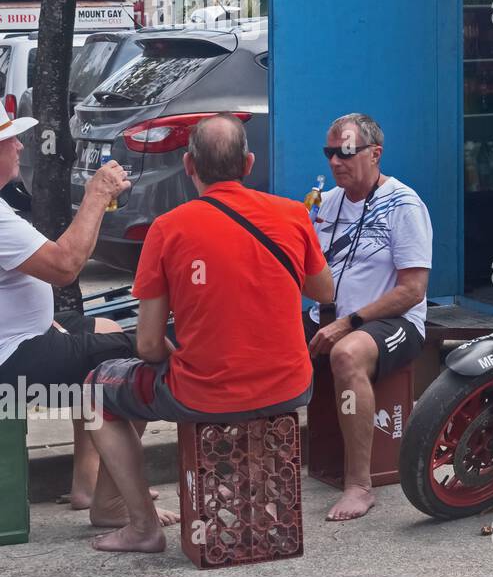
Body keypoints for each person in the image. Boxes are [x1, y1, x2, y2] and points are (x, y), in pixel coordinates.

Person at [84, 114, 333, 552]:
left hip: (203, 394)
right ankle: (261, 510)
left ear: (188, 166)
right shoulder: (294, 214)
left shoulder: (168, 228)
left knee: (95, 390)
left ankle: (142, 526)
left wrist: (177, 355)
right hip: (293, 386)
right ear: (249, 163)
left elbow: (146, 344)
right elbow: (323, 290)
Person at [0, 107, 137, 513]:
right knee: (134, 353)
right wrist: (97, 195)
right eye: (10, 140)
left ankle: (89, 484)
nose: (20, 145)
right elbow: (65, 266)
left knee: (107, 327)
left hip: (22, 339)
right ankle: (113, 501)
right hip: (11, 358)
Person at [303, 113, 432, 522]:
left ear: (375, 154)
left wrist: (349, 321)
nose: (336, 162)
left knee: (345, 354)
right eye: (330, 154)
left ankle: (359, 484)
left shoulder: (404, 205)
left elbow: (412, 291)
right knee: (261, 341)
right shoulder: (325, 202)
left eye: (346, 153)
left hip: (393, 321)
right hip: (332, 315)